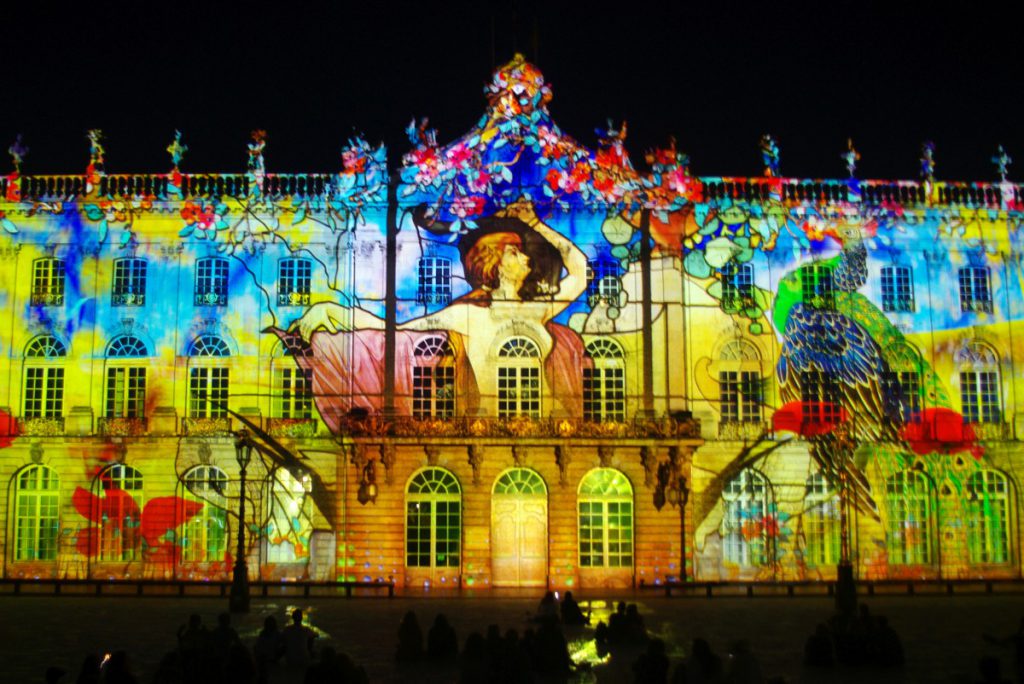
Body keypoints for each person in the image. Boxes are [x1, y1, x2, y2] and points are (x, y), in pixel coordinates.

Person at [285, 200, 589, 423]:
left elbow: (580, 271)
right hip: (488, 425)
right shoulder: (469, 315)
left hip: (550, 422)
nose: (525, 257)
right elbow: (396, 328)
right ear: (494, 264)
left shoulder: (537, 311)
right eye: (514, 252)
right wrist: (333, 309)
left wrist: (537, 224)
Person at [253, 615, 284, 684]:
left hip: (262, 661)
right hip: (270, 660)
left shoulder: (262, 634)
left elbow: (257, 648)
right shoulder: (277, 634)